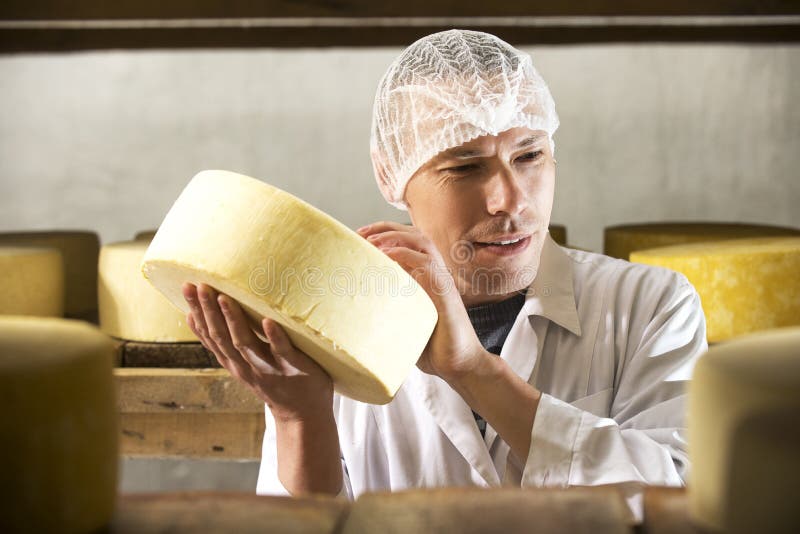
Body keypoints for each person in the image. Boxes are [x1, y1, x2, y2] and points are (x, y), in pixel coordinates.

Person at [181, 29, 707, 520]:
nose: (509, 201)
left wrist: (475, 371)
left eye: (529, 155)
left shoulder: (649, 305)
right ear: (392, 174)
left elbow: (678, 507)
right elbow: (307, 526)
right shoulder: (334, 325)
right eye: (465, 166)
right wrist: (299, 419)